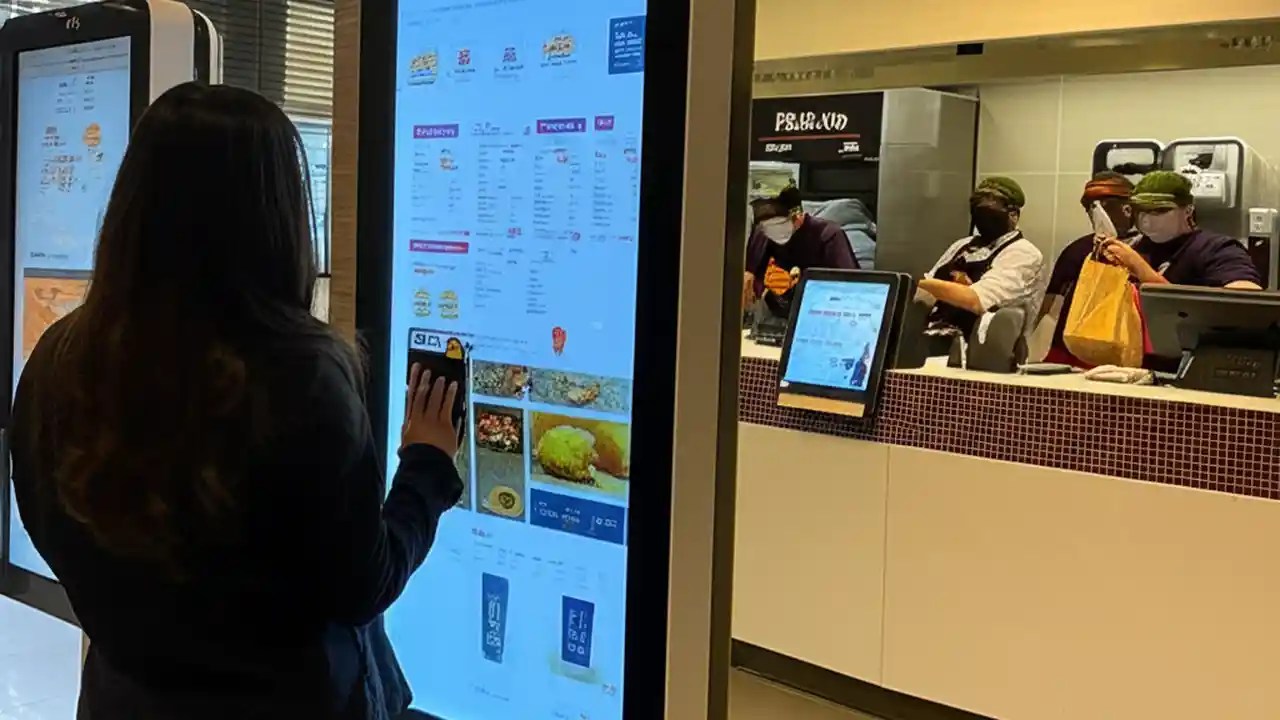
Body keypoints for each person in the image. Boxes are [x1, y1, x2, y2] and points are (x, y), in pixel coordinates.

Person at [10, 83, 462, 720]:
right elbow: (364, 583)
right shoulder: (305, 380)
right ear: (279, 216)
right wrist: (428, 465)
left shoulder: (61, 358)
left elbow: (41, 515)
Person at [918, 176, 1046, 349]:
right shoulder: (962, 245)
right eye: (978, 207)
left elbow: (976, 300)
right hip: (934, 339)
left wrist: (918, 283)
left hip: (983, 351)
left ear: (1013, 214)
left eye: (990, 208)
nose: (983, 214)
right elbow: (925, 295)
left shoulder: (1023, 253)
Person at [1036, 172, 1142, 365]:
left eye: (1107, 206)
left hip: (1128, 352)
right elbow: (1050, 309)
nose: (1097, 213)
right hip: (1071, 352)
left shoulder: (1147, 251)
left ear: (1129, 208)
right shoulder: (1077, 251)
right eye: (1090, 207)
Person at [1098, 170, 1262, 290]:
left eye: (1160, 211)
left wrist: (1141, 269)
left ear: (1188, 211)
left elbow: (1245, 300)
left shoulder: (1215, 250)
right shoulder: (1134, 246)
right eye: (1140, 211)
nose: (1147, 219)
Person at [743, 186, 859, 307]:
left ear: (797, 217)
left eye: (778, 225)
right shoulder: (764, 234)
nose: (772, 232)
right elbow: (750, 277)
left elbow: (852, 287)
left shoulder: (829, 236)